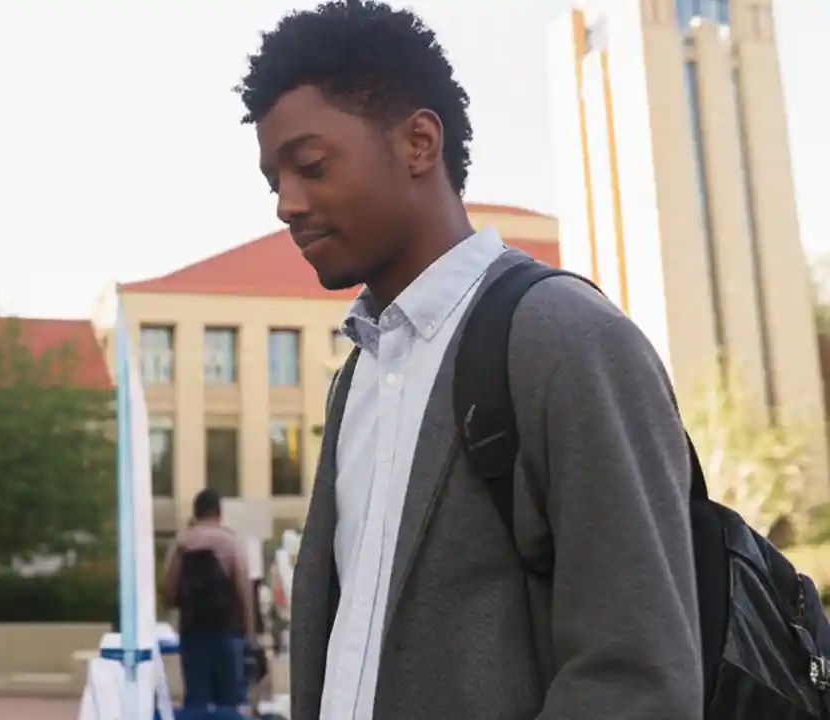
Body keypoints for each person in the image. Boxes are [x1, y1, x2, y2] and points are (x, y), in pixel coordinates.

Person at [235, 2, 702, 718]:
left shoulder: (565, 337)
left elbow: (636, 673)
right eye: (275, 181)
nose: (286, 204)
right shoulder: (357, 378)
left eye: (310, 166)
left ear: (420, 142)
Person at [163, 489, 255, 714]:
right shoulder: (230, 541)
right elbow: (244, 591)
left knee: (196, 703)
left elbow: (169, 591)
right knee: (230, 703)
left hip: (192, 633)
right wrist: (250, 632)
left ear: (196, 512)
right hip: (227, 633)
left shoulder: (181, 543)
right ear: (219, 512)